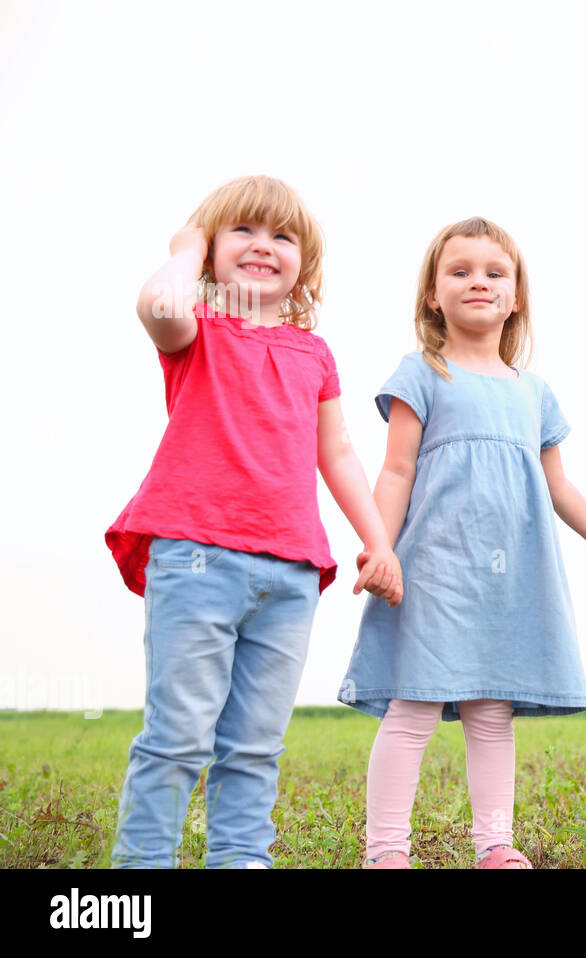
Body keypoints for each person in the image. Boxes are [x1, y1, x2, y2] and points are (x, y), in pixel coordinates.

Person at [106, 175, 402, 868]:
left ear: (305, 261)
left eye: (282, 235)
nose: (263, 246)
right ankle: (141, 870)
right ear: (209, 248)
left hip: (291, 570)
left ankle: (242, 860)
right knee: (178, 735)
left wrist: (377, 539)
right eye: (242, 230)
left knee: (255, 744)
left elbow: (338, 452)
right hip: (196, 559)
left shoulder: (314, 353)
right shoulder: (195, 331)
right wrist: (185, 247)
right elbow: (157, 301)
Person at [340, 217, 586, 869]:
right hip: (433, 571)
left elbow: (558, 485)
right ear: (432, 295)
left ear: (516, 296)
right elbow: (395, 470)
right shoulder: (421, 373)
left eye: (494, 272)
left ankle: (494, 844)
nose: (478, 281)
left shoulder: (533, 392)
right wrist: (377, 545)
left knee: (490, 711)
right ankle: (385, 850)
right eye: (460, 271)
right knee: (413, 702)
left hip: (511, 579)